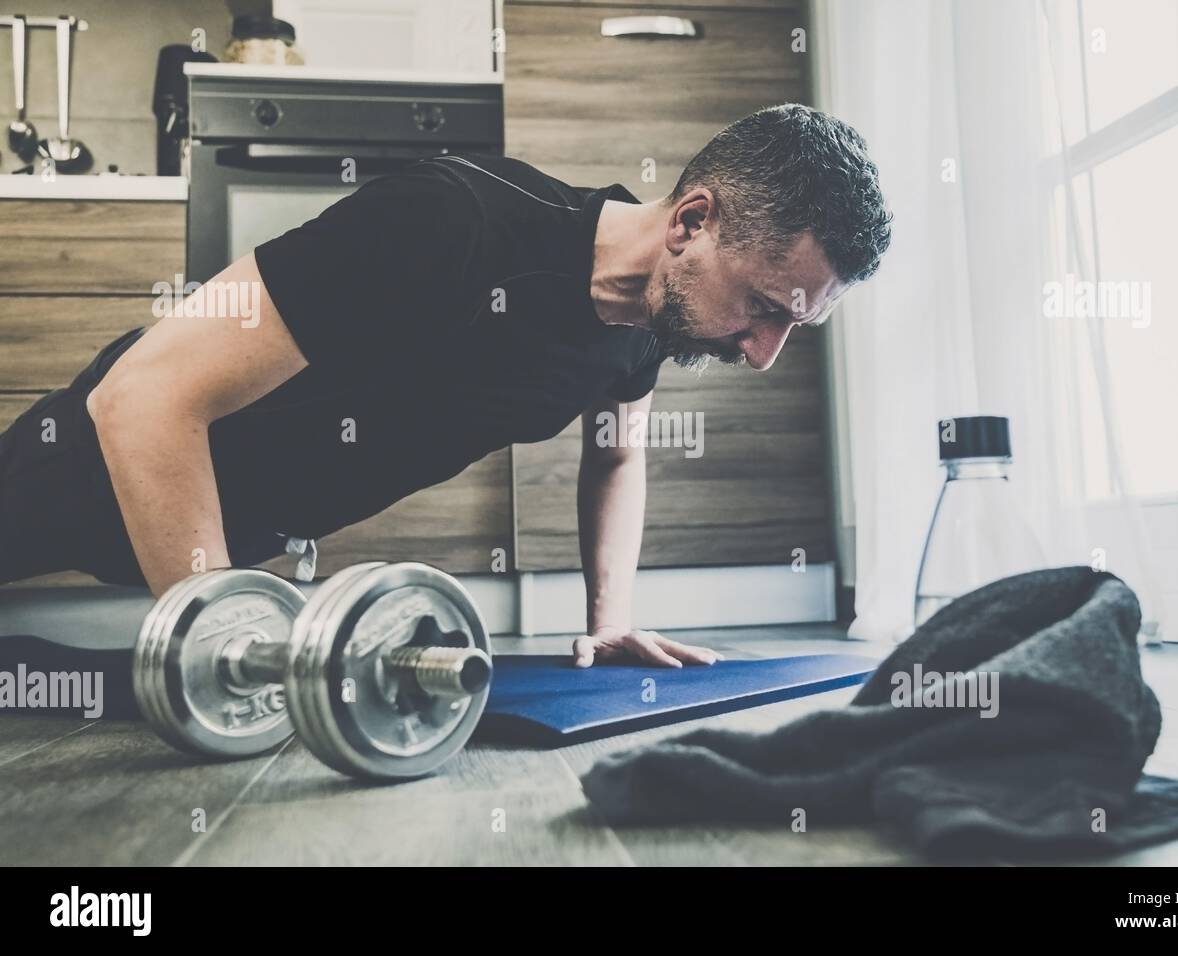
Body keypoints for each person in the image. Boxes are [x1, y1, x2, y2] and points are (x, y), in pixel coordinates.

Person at [0, 103, 891, 667]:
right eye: (767, 307)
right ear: (692, 222)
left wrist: (610, 618)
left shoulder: (644, 328)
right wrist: (225, 638)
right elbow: (141, 399)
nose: (765, 352)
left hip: (242, 530)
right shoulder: (455, 222)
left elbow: (618, 459)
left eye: (795, 327)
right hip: (98, 465)